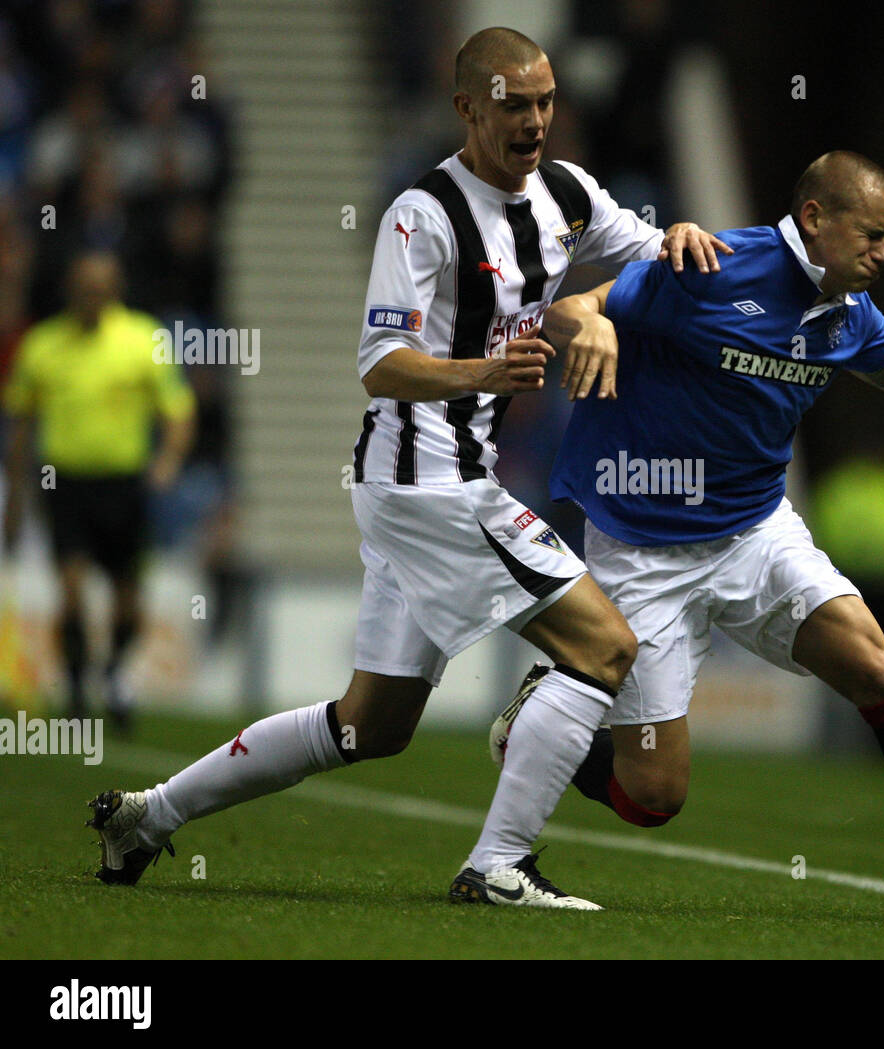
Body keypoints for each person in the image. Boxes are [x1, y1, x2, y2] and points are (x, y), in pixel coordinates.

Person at [84, 27, 729, 910]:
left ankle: (148, 817)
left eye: (544, 101)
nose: (535, 119)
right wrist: (485, 373)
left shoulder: (568, 193)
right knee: (607, 646)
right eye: (514, 103)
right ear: (468, 107)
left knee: (368, 725)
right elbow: (380, 361)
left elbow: (649, 249)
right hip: (431, 480)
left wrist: (683, 234)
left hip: (432, 485)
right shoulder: (422, 214)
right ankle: (499, 863)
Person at [519, 151, 884, 924]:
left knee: (882, 674)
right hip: (644, 547)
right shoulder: (711, 261)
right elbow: (569, 309)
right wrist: (594, 324)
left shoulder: (845, 309)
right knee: (653, 797)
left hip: (756, 532)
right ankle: (537, 715)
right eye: (872, 235)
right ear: (814, 219)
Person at [3, 251, 195, 729]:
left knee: (128, 599)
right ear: (71, 289)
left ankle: (112, 675)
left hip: (123, 486)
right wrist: (17, 495)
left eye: (101, 289)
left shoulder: (141, 339)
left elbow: (176, 410)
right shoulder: (42, 345)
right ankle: (74, 690)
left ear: (115, 290)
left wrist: (168, 461)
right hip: (66, 485)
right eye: (85, 288)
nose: (92, 297)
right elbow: (21, 424)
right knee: (70, 591)